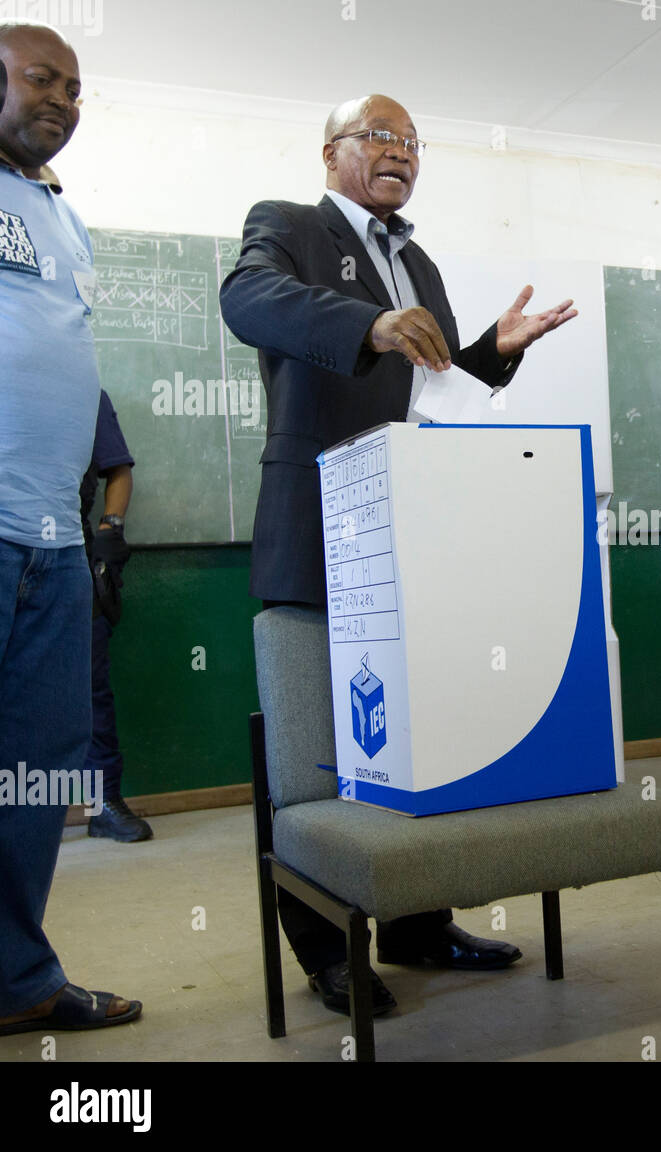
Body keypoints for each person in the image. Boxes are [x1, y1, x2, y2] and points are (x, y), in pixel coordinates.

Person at [220, 93, 576, 1016]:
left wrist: (490, 354)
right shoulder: (287, 225)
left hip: (415, 535)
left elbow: (432, 381)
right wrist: (369, 324)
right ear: (332, 152)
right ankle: (329, 948)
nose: (400, 153)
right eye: (379, 137)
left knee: (418, 733)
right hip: (318, 526)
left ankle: (419, 925)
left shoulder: (416, 258)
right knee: (316, 752)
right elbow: (247, 300)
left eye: (412, 143)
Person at [0, 21, 142, 1036]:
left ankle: (18, 981)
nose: (62, 99)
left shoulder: (61, 215)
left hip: (51, 542)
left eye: (75, 88)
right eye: (40, 78)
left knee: (42, 764)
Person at [81, 389, 154, 843]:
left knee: (90, 684)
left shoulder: (84, 388)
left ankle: (102, 802)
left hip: (70, 546)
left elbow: (118, 469)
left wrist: (111, 530)